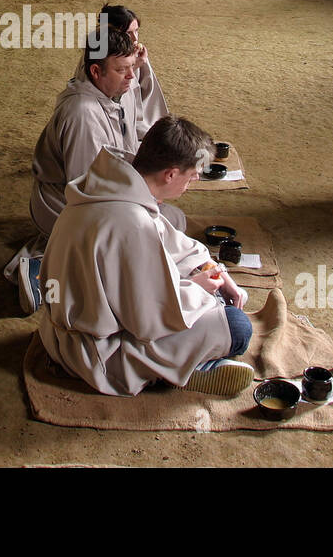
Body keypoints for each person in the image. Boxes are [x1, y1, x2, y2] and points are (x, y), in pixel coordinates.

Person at [39, 117, 254, 397]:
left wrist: (212, 268)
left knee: (217, 300)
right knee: (237, 328)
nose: (195, 180)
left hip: (62, 329)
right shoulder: (130, 221)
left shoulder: (115, 185)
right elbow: (147, 319)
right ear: (171, 174)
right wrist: (198, 288)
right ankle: (180, 370)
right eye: (191, 175)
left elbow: (170, 242)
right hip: (99, 352)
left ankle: (182, 364)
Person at [9, 27, 186, 314]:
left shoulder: (117, 89)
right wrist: (141, 201)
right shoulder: (83, 115)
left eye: (133, 68)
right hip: (65, 203)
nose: (131, 76)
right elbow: (86, 191)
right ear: (95, 72)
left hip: (95, 193)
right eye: (122, 70)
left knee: (169, 220)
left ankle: (67, 254)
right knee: (153, 230)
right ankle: (43, 269)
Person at [72, 4, 168, 137]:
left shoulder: (136, 55)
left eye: (137, 31)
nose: (135, 39)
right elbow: (104, 96)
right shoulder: (97, 57)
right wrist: (134, 66)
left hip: (134, 122)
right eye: (129, 33)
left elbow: (150, 97)